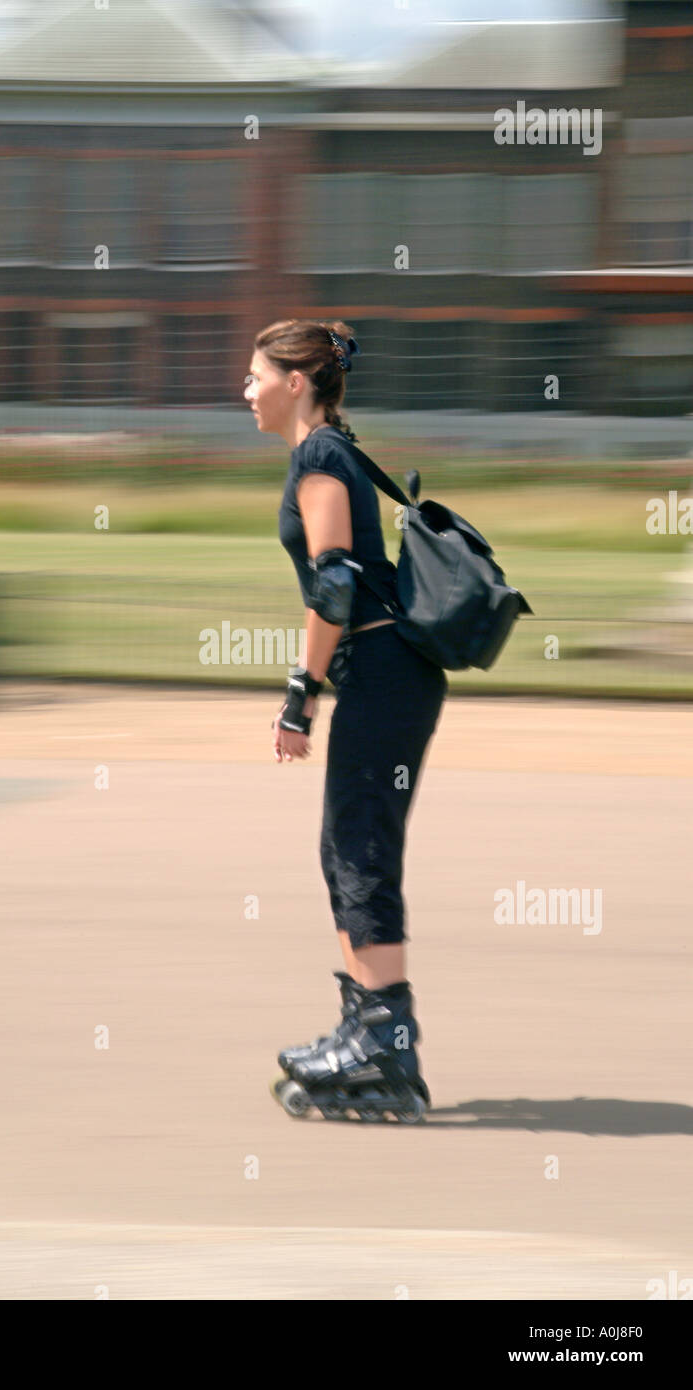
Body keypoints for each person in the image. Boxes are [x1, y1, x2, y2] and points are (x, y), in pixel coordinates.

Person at [243, 319, 447, 1123]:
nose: (245, 389)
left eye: (255, 374)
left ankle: (386, 1053)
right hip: (381, 673)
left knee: (359, 848)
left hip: (385, 674)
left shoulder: (322, 456)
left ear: (296, 381)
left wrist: (300, 695)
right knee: (344, 850)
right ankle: (365, 1027)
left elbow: (334, 583)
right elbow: (328, 587)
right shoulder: (328, 452)